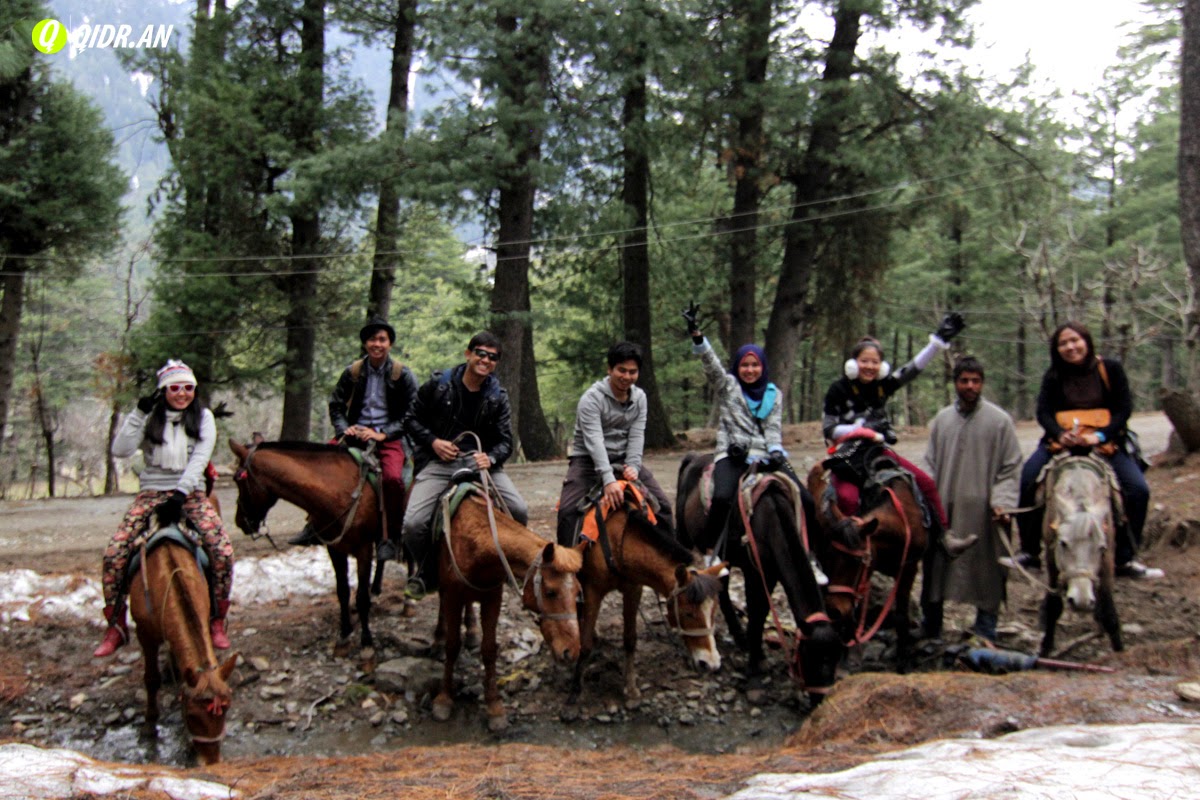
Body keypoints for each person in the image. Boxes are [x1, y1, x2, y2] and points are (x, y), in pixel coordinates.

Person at [95, 360, 235, 657]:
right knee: (114, 554)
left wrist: (181, 495)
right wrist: (138, 414)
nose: (182, 394)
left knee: (222, 552)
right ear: (164, 390)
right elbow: (120, 450)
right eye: (175, 388)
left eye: (188, 387)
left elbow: (200, 458)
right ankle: (116, 624)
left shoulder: (204, 417)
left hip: (191, 492)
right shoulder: (149, 418)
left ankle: (217, 619)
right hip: (151, 492)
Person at [1009, 321, 1160, 579]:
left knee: (1138, 489)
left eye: (1075, 341)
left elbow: (1123, 409)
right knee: (1027, 479)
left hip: (1106, 442)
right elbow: (1043, 412)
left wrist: (1099, 436)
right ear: (1057, 349)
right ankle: (1030, 552)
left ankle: (1124, 558)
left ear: (1087, 342)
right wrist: (1060, 434)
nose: (1071, 347)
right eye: (1064, 343)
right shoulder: (1054, 374)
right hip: (1061, 442)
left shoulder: (1110, 369)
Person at [822, 313, 973, 556]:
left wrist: (937, 341)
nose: (869, 366)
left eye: (874, 362)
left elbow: (913, 368)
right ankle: (837, 552)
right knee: (847, 498)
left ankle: (945, 536)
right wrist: (860, 431)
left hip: (876, 451)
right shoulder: (838, 389)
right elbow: (828, 428)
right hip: (847, 455)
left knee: (925, 483)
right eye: (864, 361)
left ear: (881, 366)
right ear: (853, 363)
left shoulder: (883, 385)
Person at [681, 302, 810, 565]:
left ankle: (811, 556)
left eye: (754, 365)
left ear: (763, 367)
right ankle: (710, 552)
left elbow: (773, 429)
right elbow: (712, 365)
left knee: (804, 497)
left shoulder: (774, 395)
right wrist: (697, 334)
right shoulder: (728, 386)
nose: (749, 370)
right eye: (744, 366)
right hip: (732, 454)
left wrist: (775, 451)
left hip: (766, 454)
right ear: (737, 368)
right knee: (721, 497)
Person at [402, 332, 528, 599]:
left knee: (518, 508)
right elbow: (411, 419)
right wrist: (434, 442)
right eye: (480, 353)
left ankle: (508, 565)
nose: (485, 360)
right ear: (468, 354)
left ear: (496, 363)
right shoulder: (438, 385)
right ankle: (428, 570)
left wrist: (491, 458)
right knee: (413, 524)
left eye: (492, 357)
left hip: (482, 465)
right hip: (439, 461)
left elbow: (506, 440)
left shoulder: (498, 396)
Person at [290, 317, 418, 563]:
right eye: (372, 339)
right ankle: (314, 525)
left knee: (392, 479)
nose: (376, 344)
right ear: (365, 343)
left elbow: (412, 413)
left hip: (389, 436)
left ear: (390, 343)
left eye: (382, 339)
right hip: (356, 433)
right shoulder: (353, 372)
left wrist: (384, 433)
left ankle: (390, 537)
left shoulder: (402, 374)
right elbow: (336, 405)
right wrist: (343, 429)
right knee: (315, 468)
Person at [920, 356, 1023, 642]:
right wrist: (927, 499)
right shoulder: (942, 420)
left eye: (975, 381)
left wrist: (1002, 501)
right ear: (955, 383)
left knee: (988, 570)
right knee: (936, 570)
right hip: (945, 510)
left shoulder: (1000, 421)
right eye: (964, 380)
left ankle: (986, 628)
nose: (970, 386)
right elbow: (928, 463)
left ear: (982, 383)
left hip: (985, 513)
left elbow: (1011, 466)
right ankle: (931, 627)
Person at [556, 341, 674, 547]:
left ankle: (671, 563)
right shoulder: (591, 399)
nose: (626, 377)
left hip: (623, 458)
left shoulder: (640, 398)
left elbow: (637, 435)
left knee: (663, 507)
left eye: (632, 372)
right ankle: (565, 566)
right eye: (621, 370)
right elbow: (594, 441)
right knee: (568, 511)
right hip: (588, 461)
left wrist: (634, 467)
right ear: (609, 369)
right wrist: (608, 480)